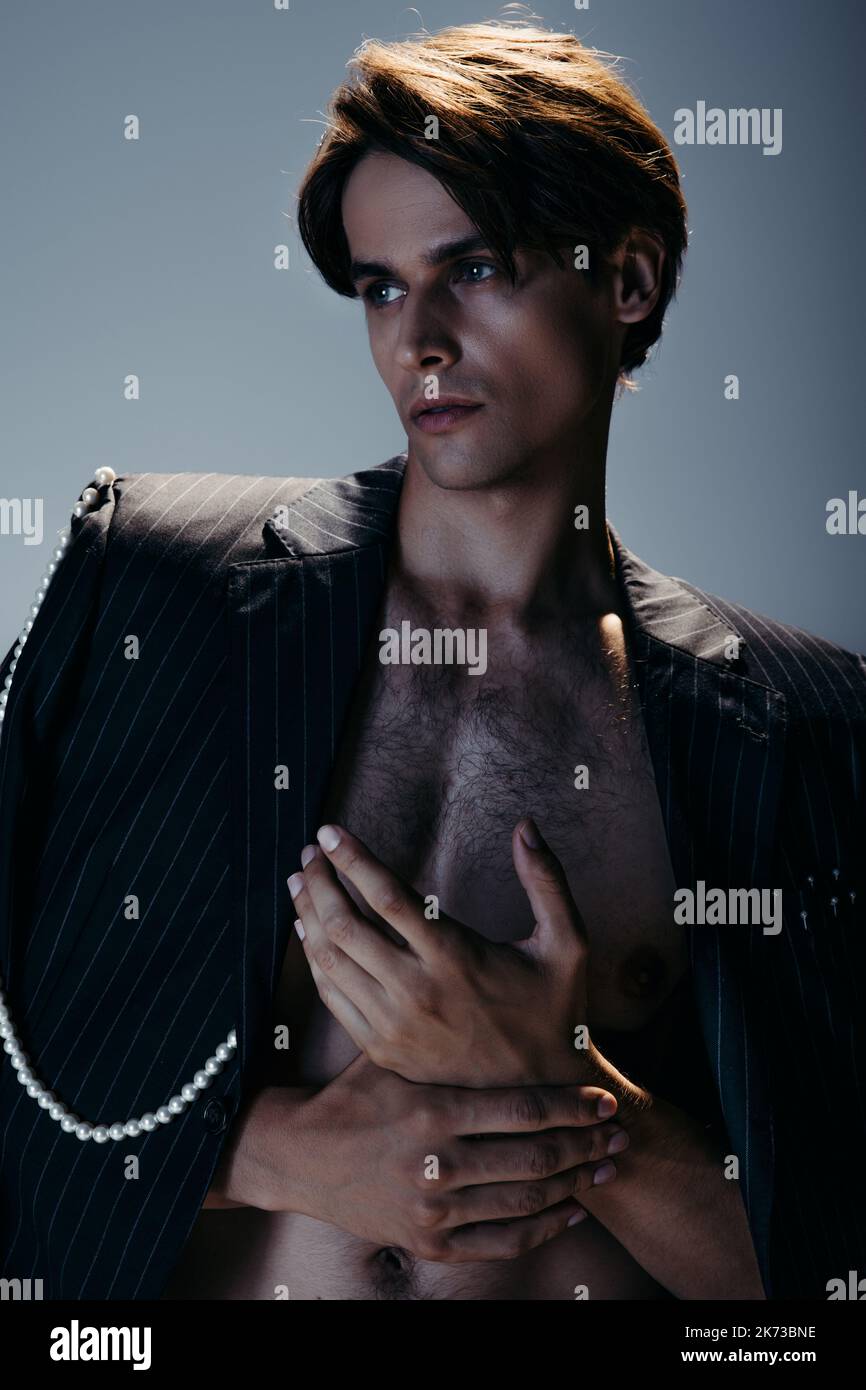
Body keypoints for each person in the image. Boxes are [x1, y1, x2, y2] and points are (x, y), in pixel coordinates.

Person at [1, 20, 863, 1302]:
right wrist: (269, 1155)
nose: (420, 338)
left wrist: (565, 1087)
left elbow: (829, 1273)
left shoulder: (806, 724)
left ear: (625, 281)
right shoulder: (157, 583)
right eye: (382, 285)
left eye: (475, 268)